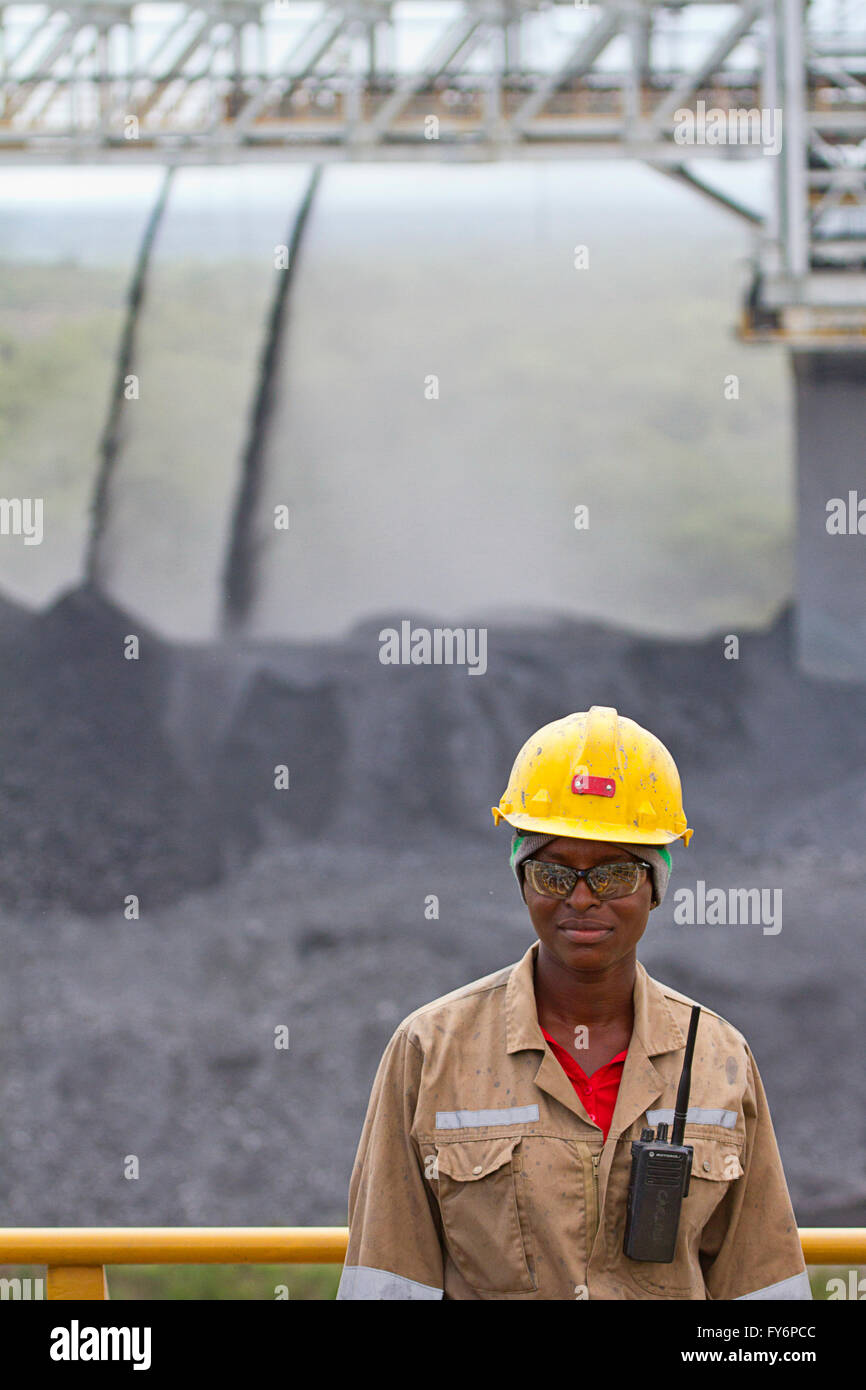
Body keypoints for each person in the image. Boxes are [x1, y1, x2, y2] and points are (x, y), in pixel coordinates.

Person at [336, 706, 811, 1300]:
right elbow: (388, 1277)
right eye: (555, 874)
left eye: (612, 875)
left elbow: (760, 1287)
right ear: (522, 882)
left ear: (655, 887)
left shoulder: (716, 1055)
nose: (582, 899)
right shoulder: (430, 1050)